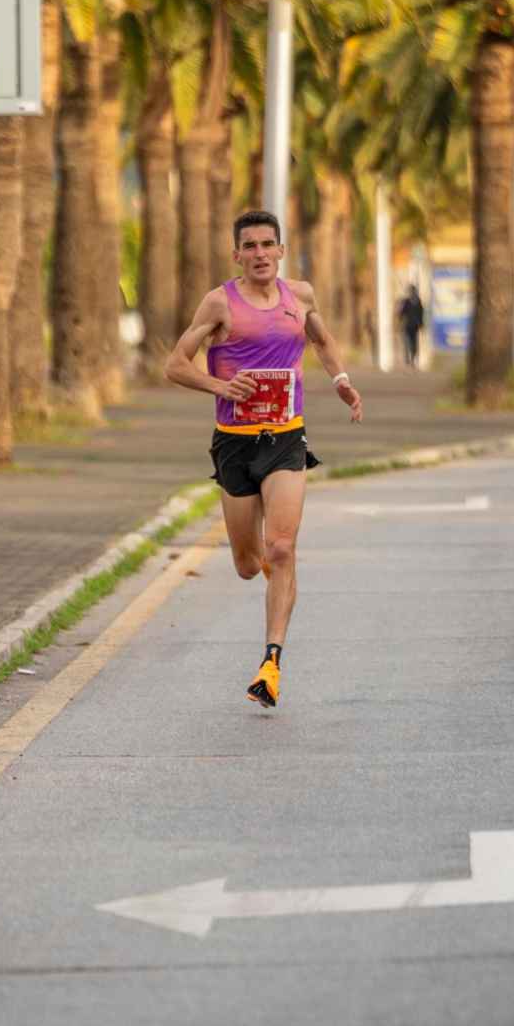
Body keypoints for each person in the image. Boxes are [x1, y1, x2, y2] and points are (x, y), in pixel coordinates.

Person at [165, 210, 363, 708]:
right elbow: (174, 364)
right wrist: (219, 385)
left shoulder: (301, 296)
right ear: (237, 255)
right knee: (249, 565)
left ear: (280, 251)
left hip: (285, 437)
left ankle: (270, 664)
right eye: (249, 246)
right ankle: (270, 570)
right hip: (234, 442)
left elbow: (320, 339)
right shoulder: (219, 303)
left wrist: (340, 381)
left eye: (267, 245)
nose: (259, 254)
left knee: (280, 546)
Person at [398, 284, 425, 368]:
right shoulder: (417, 301)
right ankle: (411, 358)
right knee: (413, 341)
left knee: (408, 341)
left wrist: (400, 319)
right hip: (415, 324)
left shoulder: (407, 301)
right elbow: (421, 313)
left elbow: (402, 312)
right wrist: (421, 323)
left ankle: (409, 358)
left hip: (409, 324)